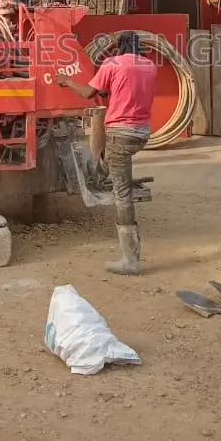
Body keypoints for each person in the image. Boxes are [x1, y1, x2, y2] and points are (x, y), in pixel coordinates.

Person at [58, 31, 157, 275]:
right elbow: (128, 89)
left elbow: (87, 93)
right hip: (141, 133)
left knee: (122, 194)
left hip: (120, 133)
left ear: (119, 47)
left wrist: (66, 80)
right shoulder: (149, 65)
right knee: (113, 162)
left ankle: (131, 260)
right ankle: (102, 175)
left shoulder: (112, 63)